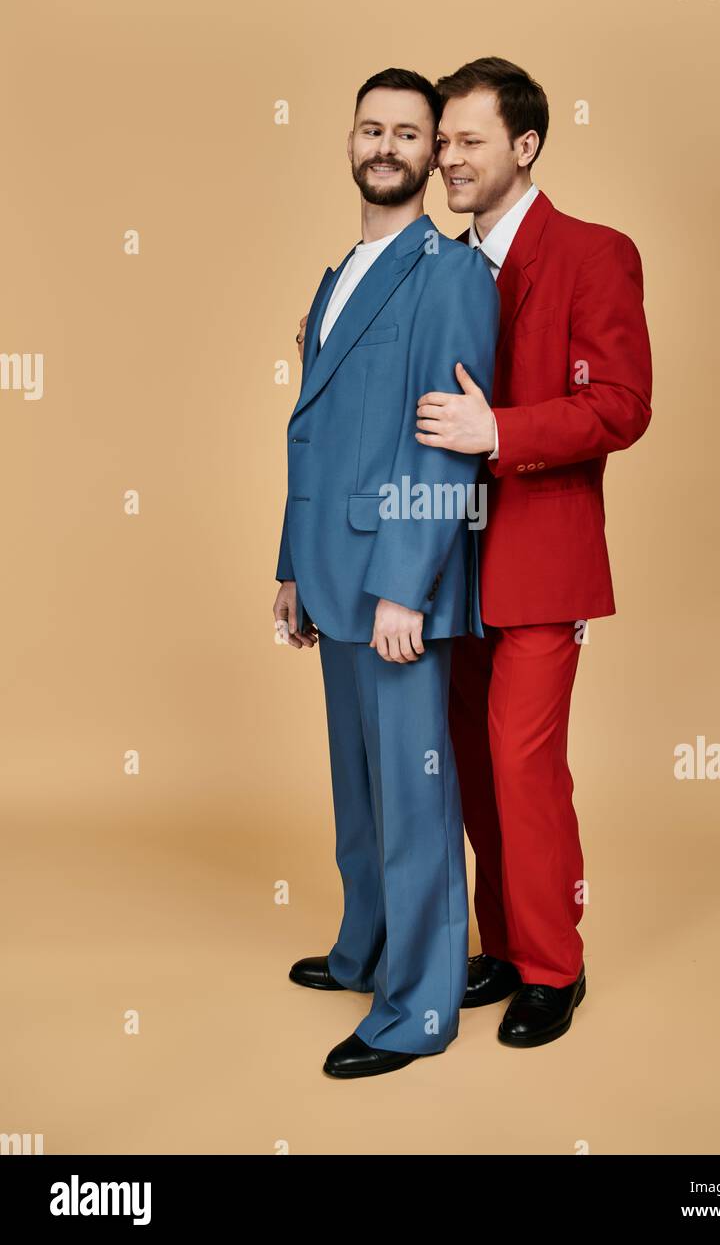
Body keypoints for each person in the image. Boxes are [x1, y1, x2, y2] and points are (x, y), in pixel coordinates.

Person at [415, 57, 653, 1048]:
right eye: (442, 141)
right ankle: (505, 946)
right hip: (447, 560)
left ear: (524, 146)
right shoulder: (438, 267)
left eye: (467, 140)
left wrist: (500, 433)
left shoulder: (595, 252)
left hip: (539, 559)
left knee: (522, 763)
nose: (446, 159)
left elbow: (619, 405)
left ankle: (555, 967)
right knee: (472, 764)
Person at [273, 67, 498, 1078]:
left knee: (412, 801)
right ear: (351, 140)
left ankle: (417, 1010)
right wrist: (287, 564)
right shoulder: (336, 277)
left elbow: (447, 442)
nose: (389, 144)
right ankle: (364, 947)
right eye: (372, 127)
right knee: (359, 791)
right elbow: (310, 434)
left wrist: (408, 582)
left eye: (410, 132)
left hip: (396, 581)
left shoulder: (449, 275)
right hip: (329, 571)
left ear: (430, 153)